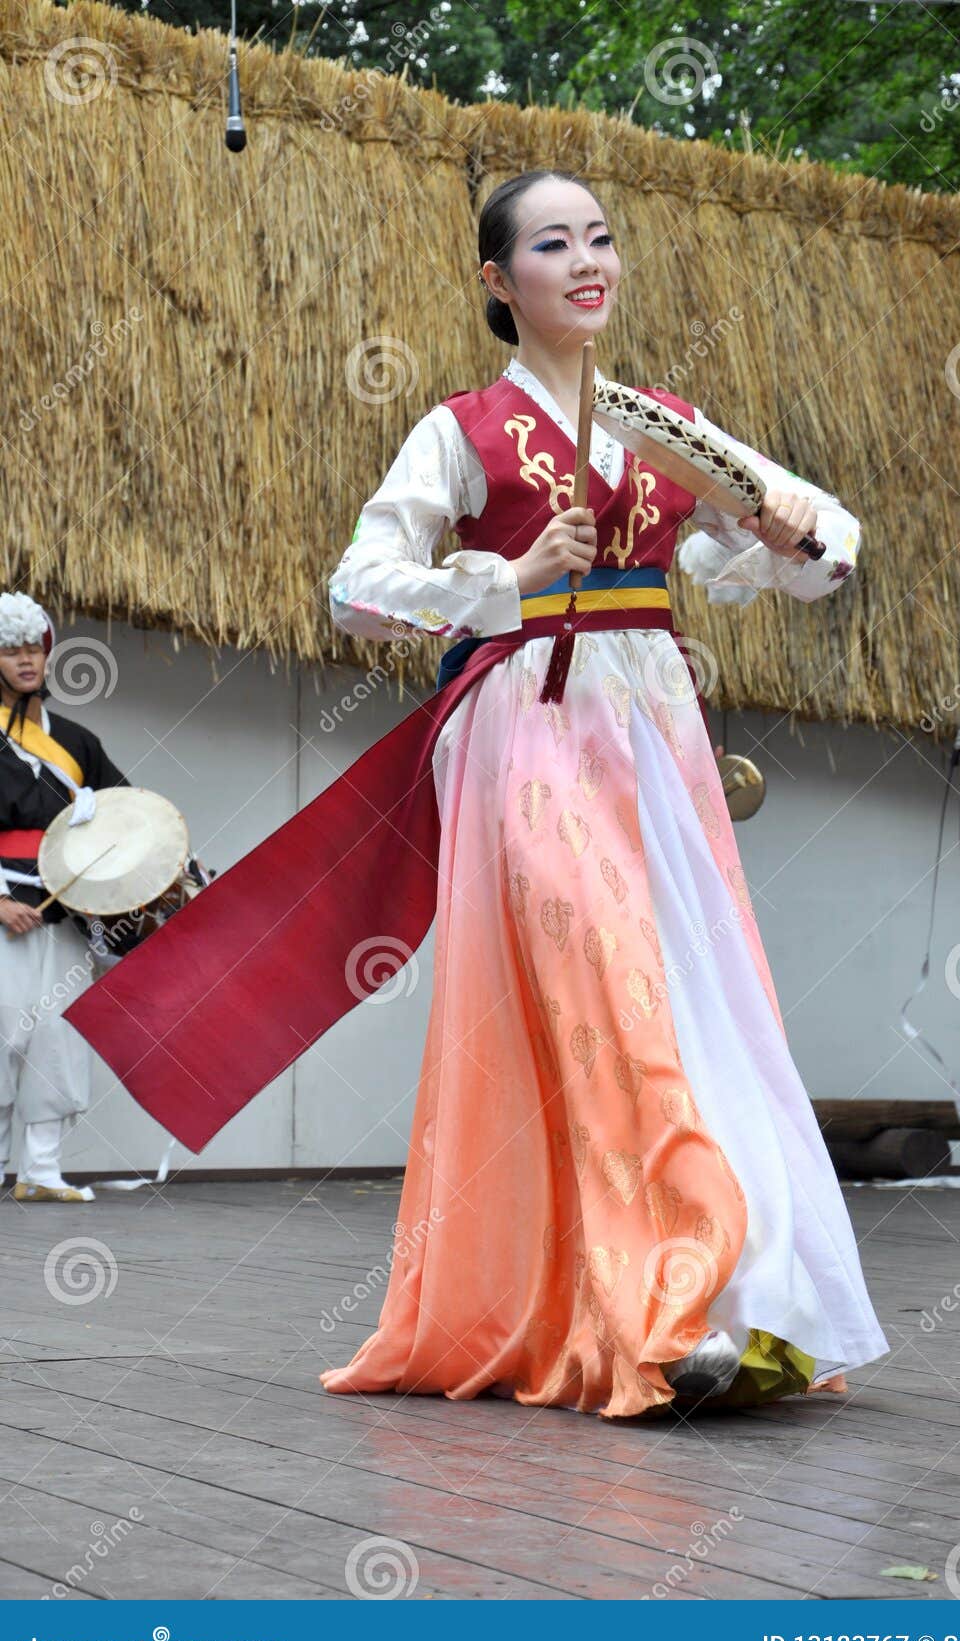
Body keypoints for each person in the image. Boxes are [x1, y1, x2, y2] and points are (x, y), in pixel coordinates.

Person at [318, 169, 887, 1420]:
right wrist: (506, 577)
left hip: (651, 731)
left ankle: (730, 1297)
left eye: (602, 238)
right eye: (553, 242)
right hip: (526, 728)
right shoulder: (458, 429)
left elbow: (816, 545)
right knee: (602, 991)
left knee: (693, 994)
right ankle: (658, 1303)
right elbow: (355, 584)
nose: (588, 260)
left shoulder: (657, 422)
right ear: (495, 279)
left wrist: (787, 529)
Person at [0, 592, 128, 1201]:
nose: (26, 660)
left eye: (33, 648)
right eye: (10, 649)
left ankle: (41, 1172)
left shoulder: (78, 742)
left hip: (67, 913)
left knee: (58, 1036)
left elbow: (125, 815)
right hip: (5, 910)